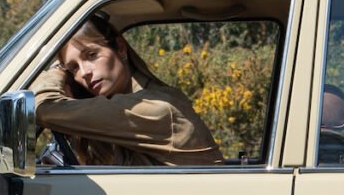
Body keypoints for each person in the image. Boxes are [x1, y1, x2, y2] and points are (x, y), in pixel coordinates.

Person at [30, 11, 224, 166]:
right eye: (74, 68)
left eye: (91, 55)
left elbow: (42, 108)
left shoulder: (155, 109)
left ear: (120, 48)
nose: (84, 73)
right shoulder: (124, 108)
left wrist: (57, 72)